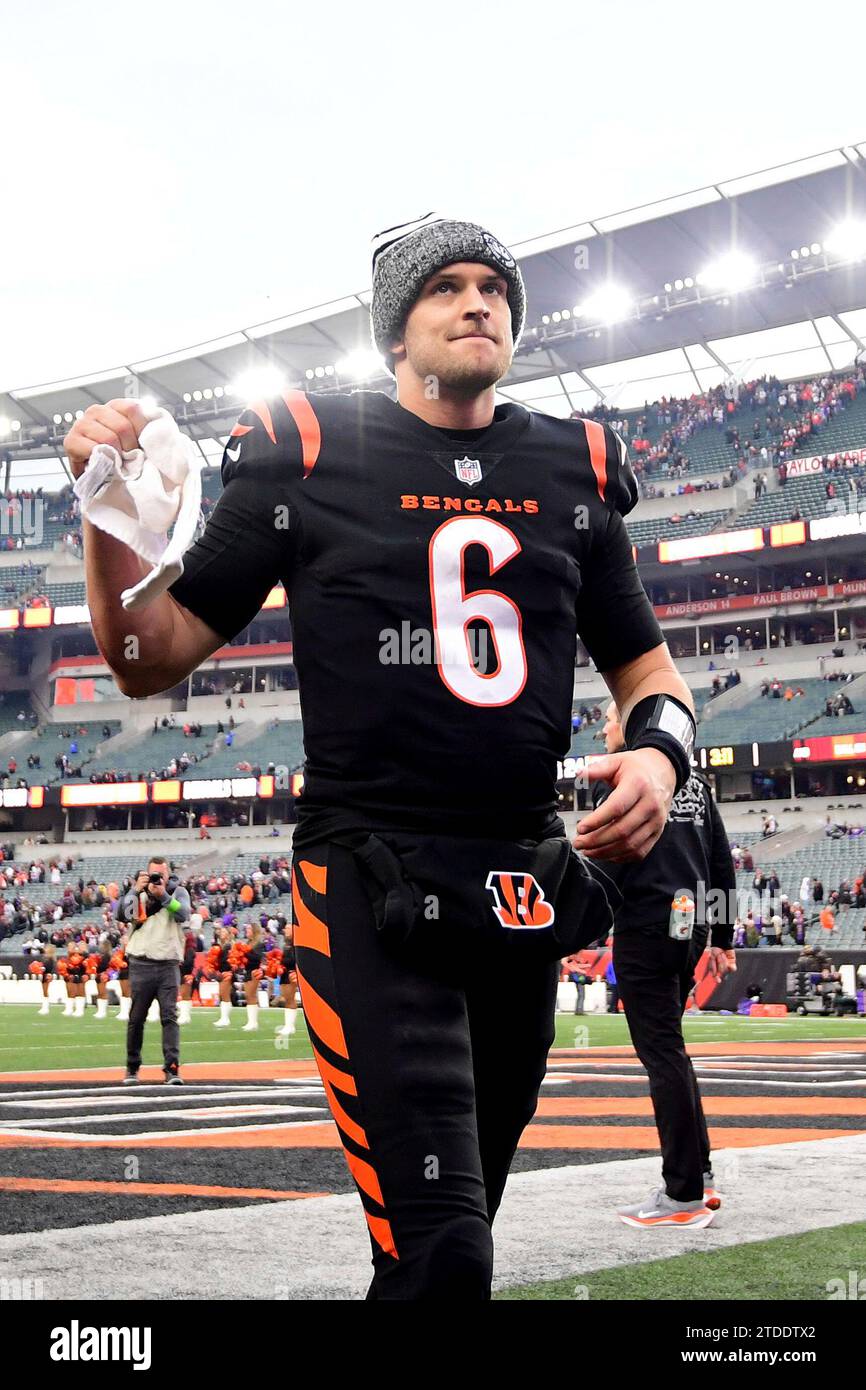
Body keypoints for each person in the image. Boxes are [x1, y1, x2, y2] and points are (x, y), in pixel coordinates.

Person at [65, 213, 697, 1302]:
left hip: (517, 880)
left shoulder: (572, 467)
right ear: (393, 331)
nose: (476, 302)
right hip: (370, 875)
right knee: (446, 1247)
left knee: (441, 1248)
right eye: (444, 287)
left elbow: (651, 676)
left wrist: (656, 762)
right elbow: (144, 655)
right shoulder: (309, 450)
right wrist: (107, 514)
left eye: (493, 286)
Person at [593, 702, 736, 1229]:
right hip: (689, 926)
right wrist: (722, 936)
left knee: (662, 1057)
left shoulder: (628, 781)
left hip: (649, 925)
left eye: (609, 719)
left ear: (629, 727)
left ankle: (683, 1194)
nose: (603, 728)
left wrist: (568, 928)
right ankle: (698, 1174)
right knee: (672, 1052)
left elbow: (609, 869)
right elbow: (721, 859)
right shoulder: (692, 783)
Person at [120, 857, 191, 1084]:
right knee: (136, 1018)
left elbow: (183, 914)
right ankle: (132, 1068)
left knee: (169, 1017)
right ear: (145, 874)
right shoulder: (137, 894)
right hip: (141, 961)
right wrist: (134, 890)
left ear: (168, 874)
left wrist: (163, 896)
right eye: (154, 875)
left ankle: (172, 1069)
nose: (158, 879)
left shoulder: (178, 892)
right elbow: (126, 915)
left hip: (168, 963)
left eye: (161, 875)